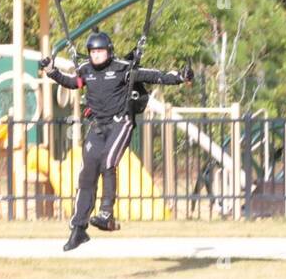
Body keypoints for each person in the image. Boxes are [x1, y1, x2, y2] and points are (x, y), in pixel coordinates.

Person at [39, 30, 192, 251]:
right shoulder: (86, 70)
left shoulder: (122, 68)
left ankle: (106, 212)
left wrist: (179, 77)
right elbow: (72, 82)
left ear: (109, 52)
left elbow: (153, 75)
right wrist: (52, 71)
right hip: (98, 127)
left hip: (121, 123)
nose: (96, 55)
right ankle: (78, 229)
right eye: (93, 52)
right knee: (87, 174)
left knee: (108, 161)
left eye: (100, 51)